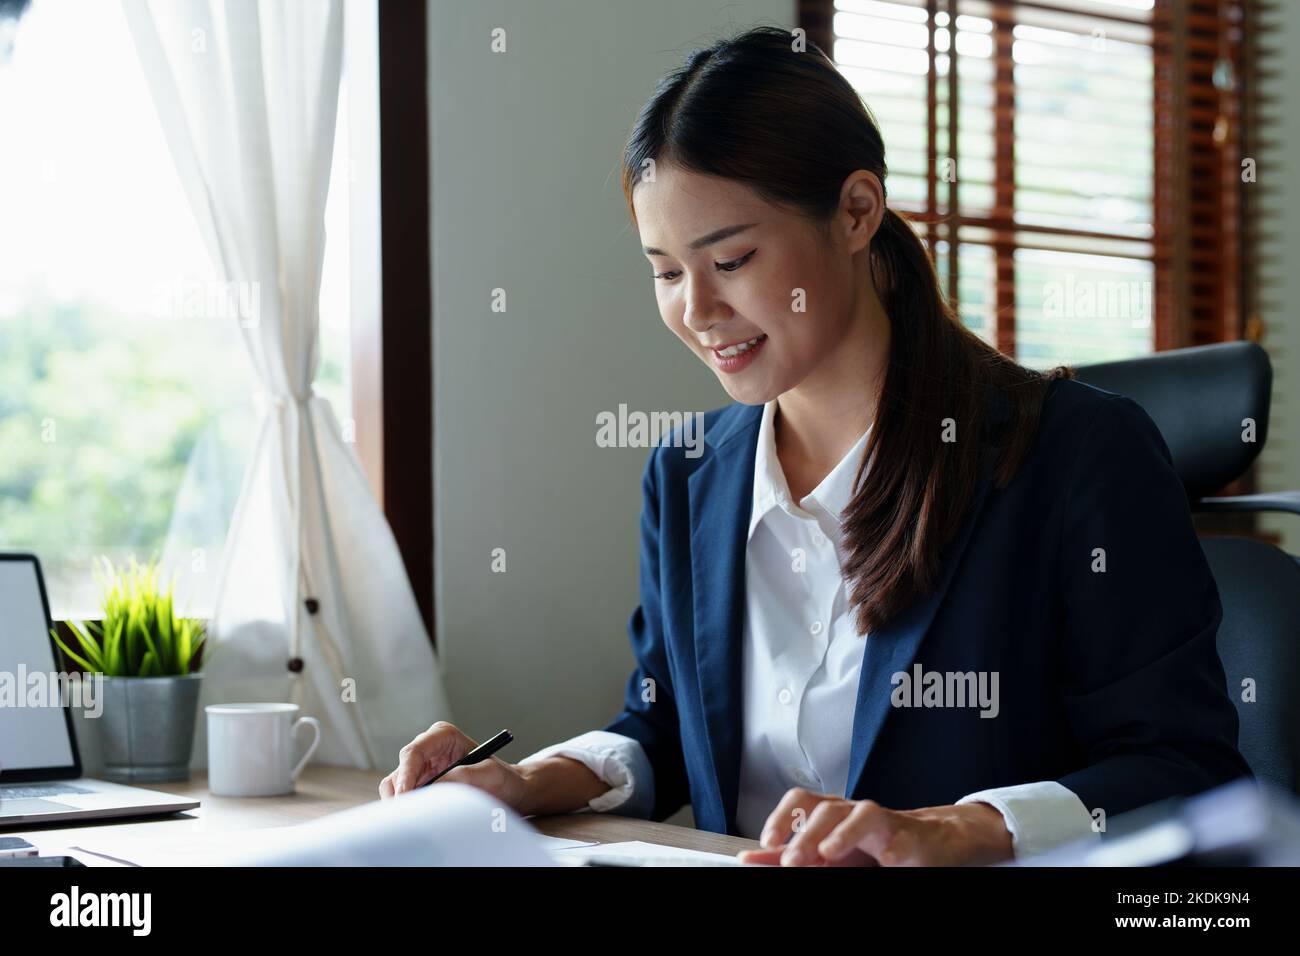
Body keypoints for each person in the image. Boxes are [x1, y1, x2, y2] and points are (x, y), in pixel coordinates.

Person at [379, 25, 1250, 866]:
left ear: (857, 211)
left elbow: (1186, 770)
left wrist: (957, 832)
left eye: (732, 260)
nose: (696, 311)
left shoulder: (1074, 455)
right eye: (667, 272)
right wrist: (524, 783)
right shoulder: (686, 476)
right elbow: (668, 727)